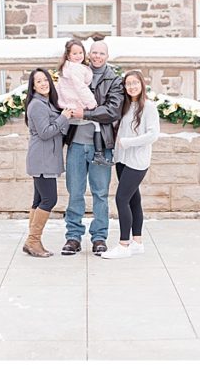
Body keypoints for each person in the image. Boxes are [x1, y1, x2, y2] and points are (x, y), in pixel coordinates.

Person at [61, 39, 125, 256]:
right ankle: (73, 237)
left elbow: (113, 111)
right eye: (94, 53)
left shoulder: (114, 80)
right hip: (76, 143)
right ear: (89, 54)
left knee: (100, 193)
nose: (97, 56)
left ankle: (99, 237)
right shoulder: (77, 71)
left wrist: (85, 114)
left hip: (102, 145)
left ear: (107, 56)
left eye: (101, 53)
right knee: (75, 192)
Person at [101, 69, 160, 259]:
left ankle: (123, 245)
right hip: (122, 160)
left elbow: (153, 135)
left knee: (121, 199)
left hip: (137, 161)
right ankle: (137, 242)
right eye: (128, 84)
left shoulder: (149, 107)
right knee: (134, 199)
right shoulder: (125, 107)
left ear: (142, 84)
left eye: (135, 83)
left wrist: (128, 142)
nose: (132, 86)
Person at [23, 68, 75, 257]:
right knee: (49, 199)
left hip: (47, 158)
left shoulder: (48, 103)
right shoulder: (37, 105)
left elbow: (56, 130)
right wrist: (64, 117)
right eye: (38, 81)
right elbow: (45, 132)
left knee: (38, 200)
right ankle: (33, 241)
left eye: (45, 80)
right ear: (33, 86)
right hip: (42, 158)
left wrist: (62, 119)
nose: (43, 83)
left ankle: (32, 242)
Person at [55, 38, 112, 166]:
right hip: (74, 106)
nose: (78, 56)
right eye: (74, 54)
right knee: (96, 123)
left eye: (80, 53)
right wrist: (92, 104)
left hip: (69, 104)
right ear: (68, 55)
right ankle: (99, 154)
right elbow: (81, 88)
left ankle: (97, 153)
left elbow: (113, 111)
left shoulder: (69, 68)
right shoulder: (75, 69)